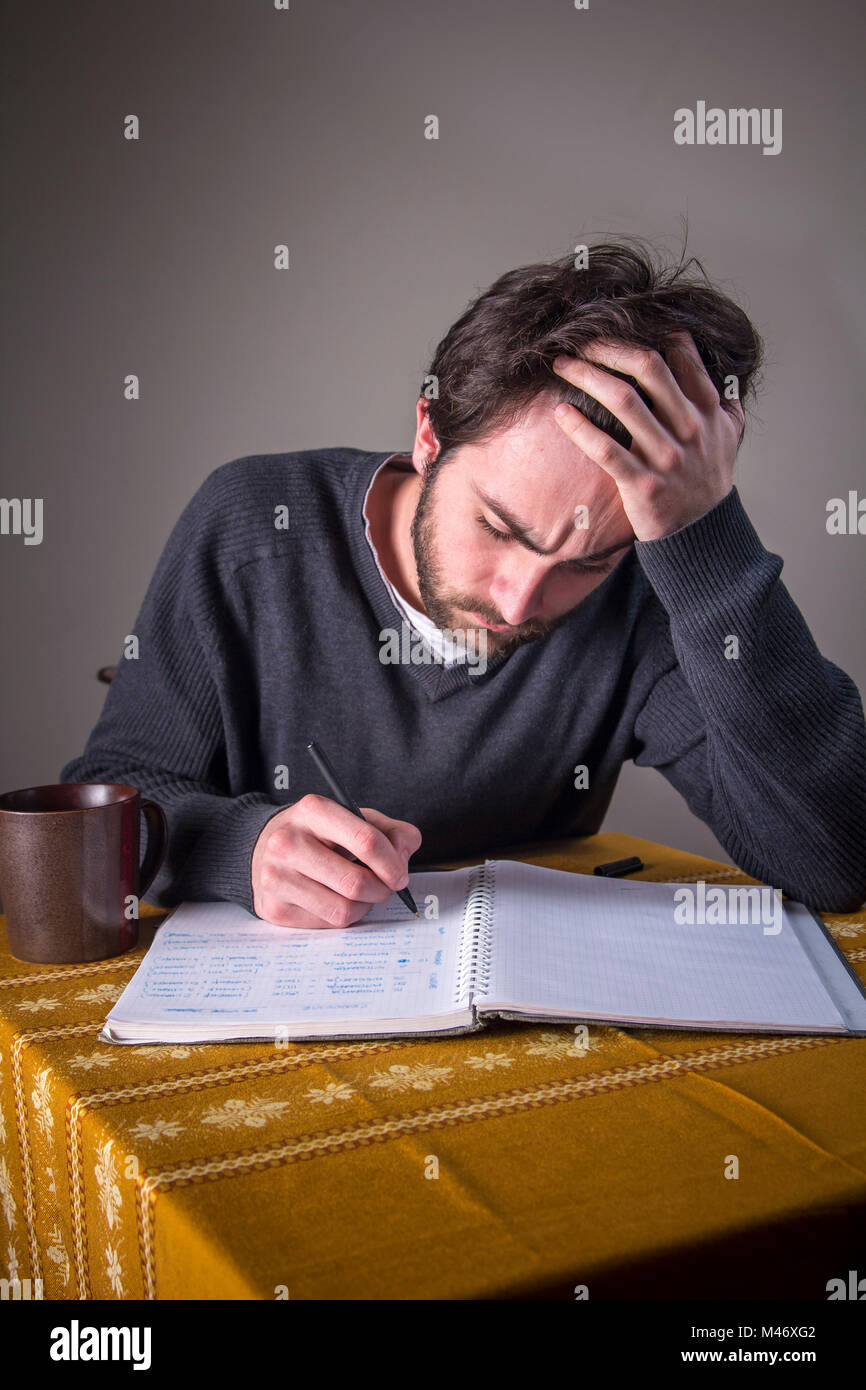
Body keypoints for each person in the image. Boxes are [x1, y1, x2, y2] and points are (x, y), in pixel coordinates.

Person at [61, 240, 866, 922]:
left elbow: (835, 859)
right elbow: (104, 805)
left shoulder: (654, 587)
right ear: (428, 437)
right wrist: (243, 851)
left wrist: (706, 542)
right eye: (499, 528)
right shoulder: (251, 525)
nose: (519, 603)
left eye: (586, 561)